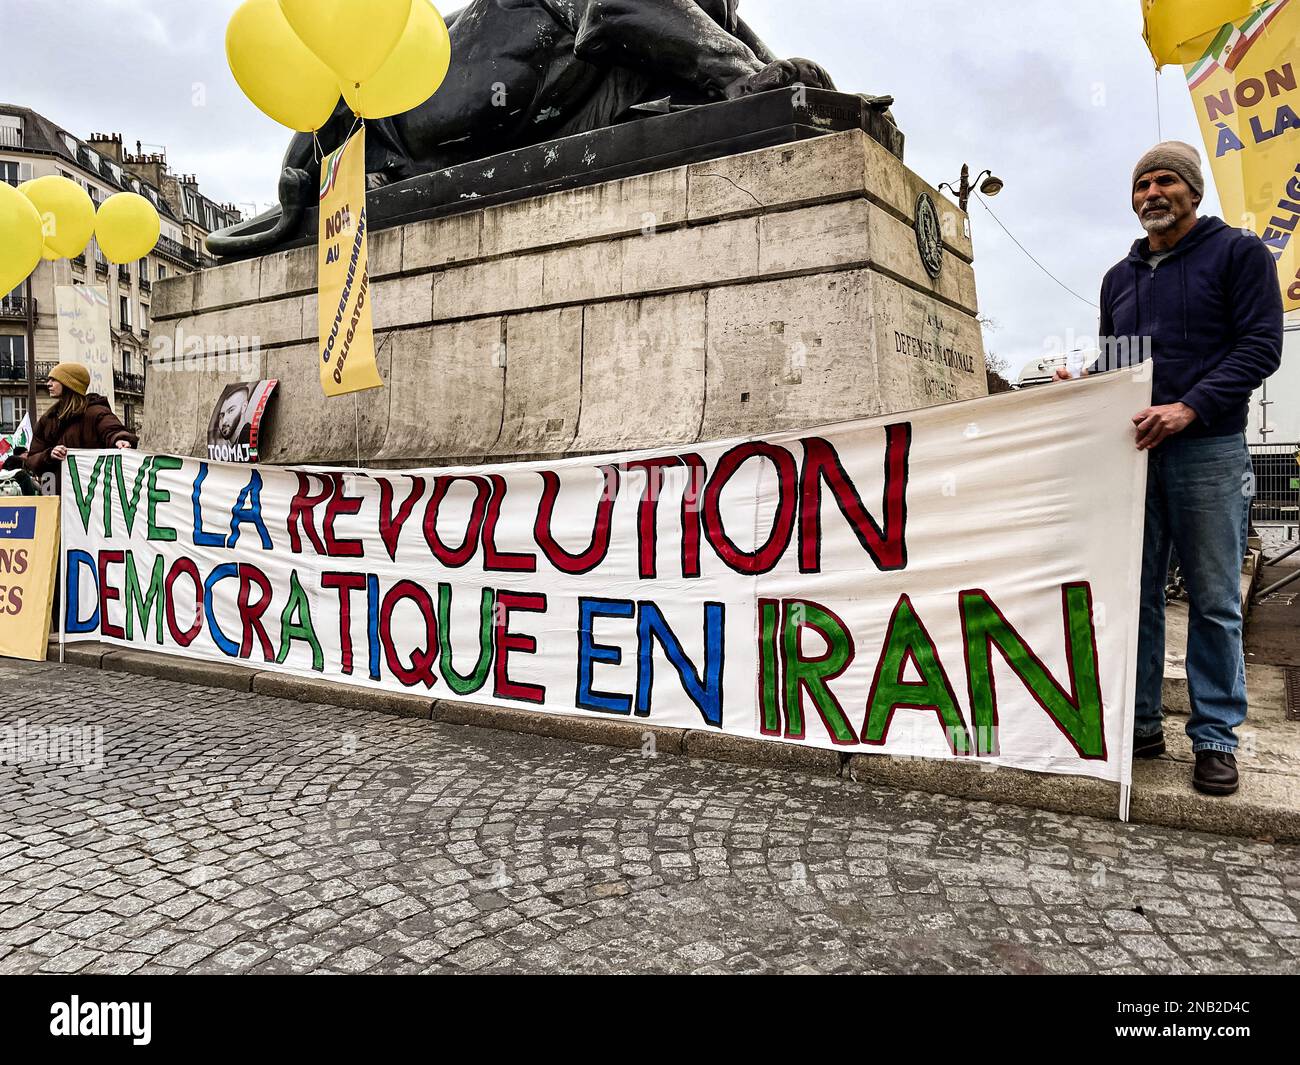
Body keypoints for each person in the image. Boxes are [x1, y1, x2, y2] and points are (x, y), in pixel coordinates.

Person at [1056, 141, 1283, 796]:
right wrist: (1089, 384)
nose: (1151, 193)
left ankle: (1215, 737)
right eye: (1141, 185)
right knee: (1138, 592)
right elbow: (1119, 363)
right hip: (1134, 455)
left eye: (1165, 182)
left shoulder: (1238, 255)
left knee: (1213, 598)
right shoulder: (1118, 279)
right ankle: (1141, 723)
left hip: (1210, 450)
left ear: (1194, 192)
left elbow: (1260, 346)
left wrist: (1190, 407)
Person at [24, 363, 136, 492]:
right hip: (54, 495)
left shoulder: (96, 412)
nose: (48, 384)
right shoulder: (47, 419)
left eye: (54, 379)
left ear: (69, 384)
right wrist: (49, 455)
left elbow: (112, 429)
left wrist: (119, 439)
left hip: (89, 494)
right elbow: (32, 460)